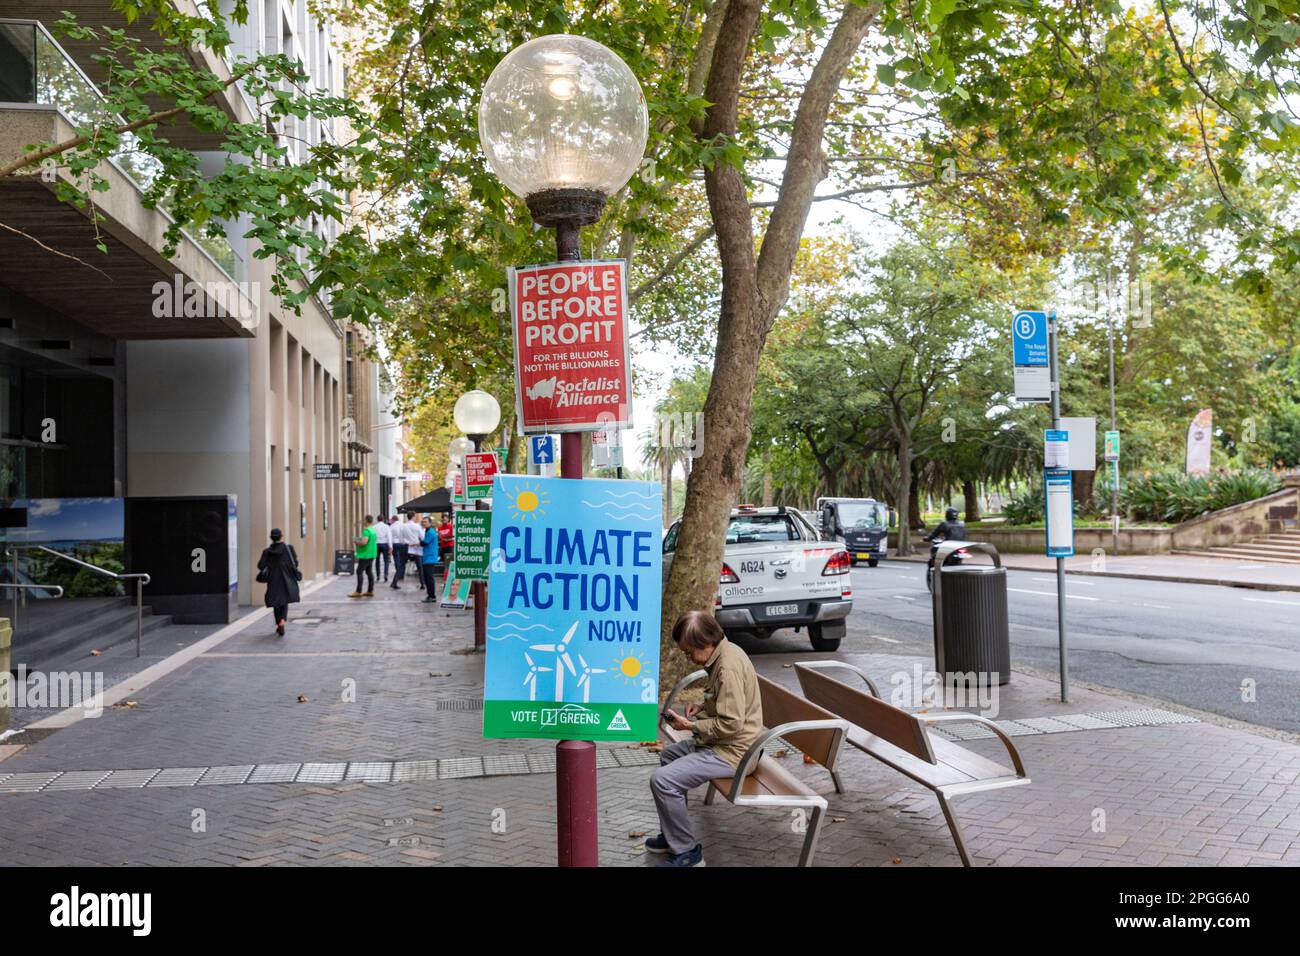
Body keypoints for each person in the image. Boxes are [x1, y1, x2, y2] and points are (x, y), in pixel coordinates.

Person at [650, 610, 762, 868]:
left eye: (690, 652)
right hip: (725, 745)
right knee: (669, 755)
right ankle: (672, 836)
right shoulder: (723, 654)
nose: (690, 658)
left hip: (734, 753)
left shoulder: (727, 667)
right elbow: (726, 704)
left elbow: (732, 724)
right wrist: (701, 707)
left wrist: (691, 726)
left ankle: (688, 853)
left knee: (663, 780)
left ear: (706, 643)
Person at [256, 528, 300, 636]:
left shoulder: (267, 552)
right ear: (281, 536)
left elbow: (260, 566)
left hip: (273, 580)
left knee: (276, 602)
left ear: (271, 538)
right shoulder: (289, 548)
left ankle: (278, 622)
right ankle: (282, 621)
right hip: (287, 579)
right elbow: (295, 563)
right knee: (284, 601)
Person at [350, 515, 377, 598]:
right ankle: (370, 590)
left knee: (359, 571)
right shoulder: (373, 530)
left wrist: (356, 541)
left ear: (366, 521)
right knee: (369, 572)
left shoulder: (366, 531)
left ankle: (358, 591)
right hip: (372, 553)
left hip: (365, 554)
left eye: (364, 520)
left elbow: (364, 542)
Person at [419, 516, 441, 602]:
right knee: (427, 577)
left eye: (425, 522)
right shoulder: (427, 531)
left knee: (429, 577)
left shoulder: (430, 532)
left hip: (430, 557)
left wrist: (418, 540)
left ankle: (432, 596)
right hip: (427, 557)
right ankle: (430, 595)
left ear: (430, 523)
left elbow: (424, 543)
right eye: (423, 522)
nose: (423, 523)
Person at [405, 514, 425, 589]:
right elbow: (422, 537)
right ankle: (422, 583)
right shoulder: (417, 526)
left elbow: (401, 537)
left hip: (407, 547)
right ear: (413, 517)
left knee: (401, 565)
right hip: (416, 548)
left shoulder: (404, 526)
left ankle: (395, 581)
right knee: (420, 567)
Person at [390, 515, 409, 589]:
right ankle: (401, 575)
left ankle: (398, 572)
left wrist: (390, 546)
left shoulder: (391, 526)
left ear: (393, 520)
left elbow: (390, 536)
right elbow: (406, 535)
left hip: (394, 544)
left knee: (396, 560)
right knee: (402, 561)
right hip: (402, 544)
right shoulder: (403, 525)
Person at [374, 514, 392, 582]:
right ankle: (385, 574)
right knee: (386, 560)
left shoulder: (374, 527)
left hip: (377, 544)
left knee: (377, 560)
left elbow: (374, 537)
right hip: (384, 544)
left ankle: (378, 576)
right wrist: (390, 547)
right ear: (383, 519)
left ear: (377, 519)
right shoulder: (387, 527)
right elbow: (389, 537)